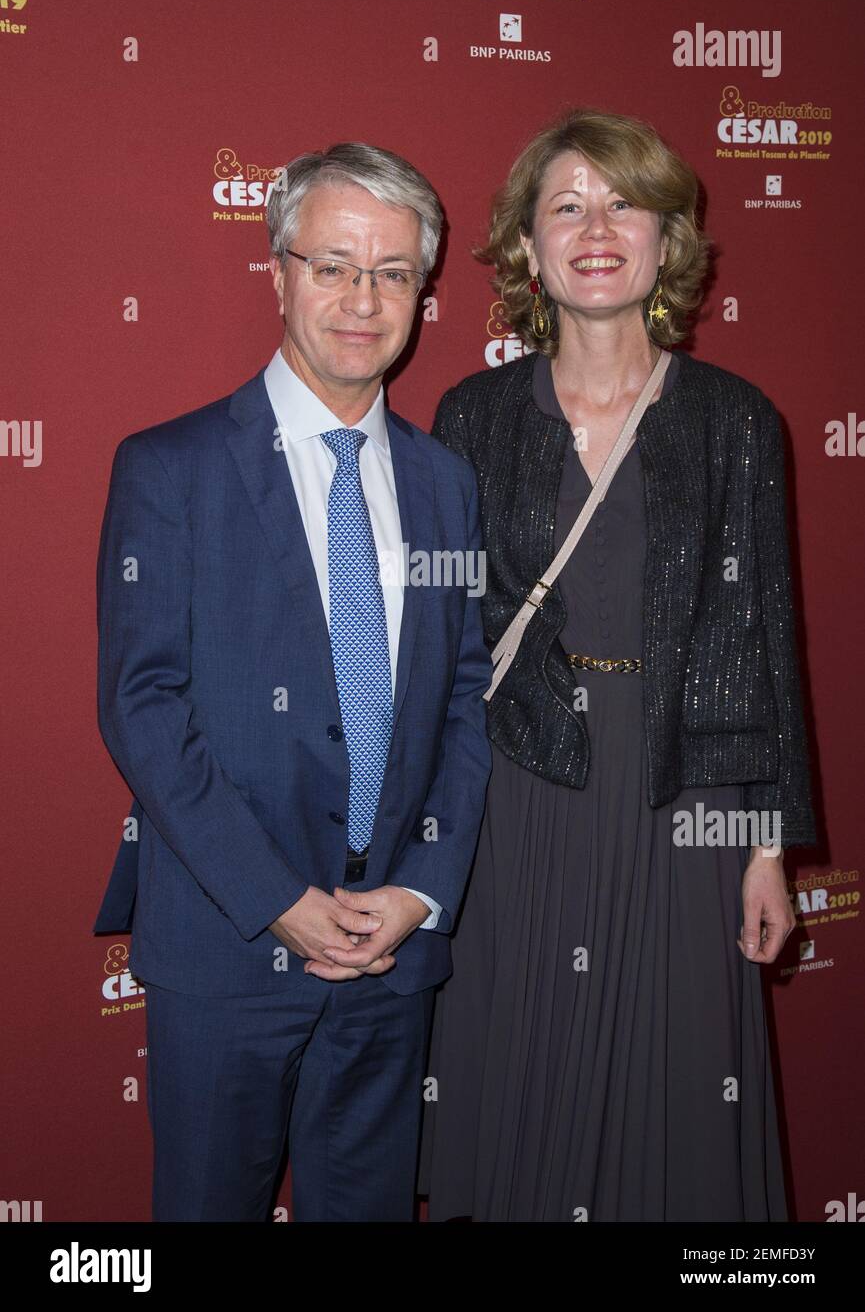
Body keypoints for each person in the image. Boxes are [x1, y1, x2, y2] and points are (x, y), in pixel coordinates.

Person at [418, 107, 816, 1222]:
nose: (597, 227)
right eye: (567, 206)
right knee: (518, 1066)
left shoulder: (736, 420)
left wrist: (761, 847)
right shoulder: (472, 416)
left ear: (663, 240)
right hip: (516, 789)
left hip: (678, 797)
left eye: (623, 203)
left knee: (677, 1086)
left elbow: (760, 645)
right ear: (528, 249)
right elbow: (447, 637)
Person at [93, 142, 492, 1222]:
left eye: (393, 272)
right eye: (333, 265)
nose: (363, 301)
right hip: (228, 947)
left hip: (393, 959)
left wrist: (418, 890)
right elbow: (140, 705)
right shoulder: (169, 469)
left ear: (423, 291)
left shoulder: (446, 486)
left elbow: (463, 700)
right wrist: (278, 901)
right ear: (277, 273)